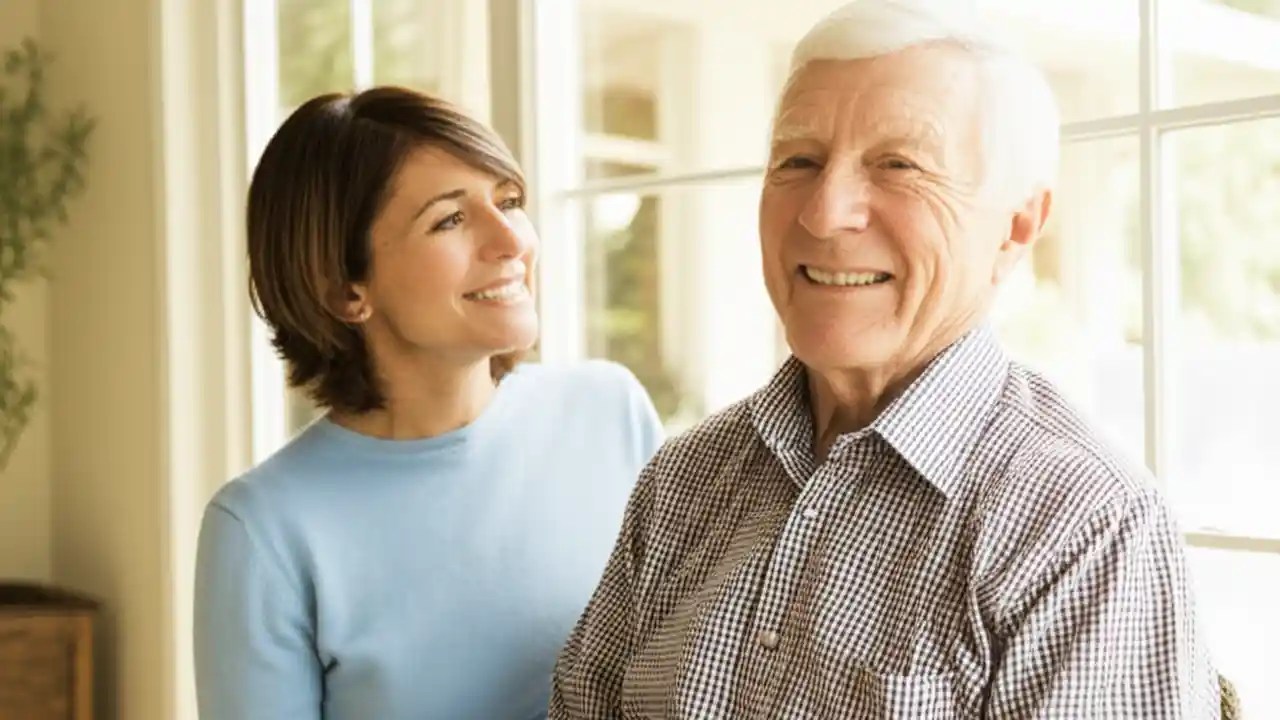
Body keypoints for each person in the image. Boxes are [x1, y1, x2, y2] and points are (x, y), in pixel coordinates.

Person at [550, 2, 1219, 717]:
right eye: (797, 161)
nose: (823, 212)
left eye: (898, 165)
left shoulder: (1082, 525)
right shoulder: (682, 482)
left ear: (1018, 226)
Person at [193, 86, 663, 720]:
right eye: (450, 219)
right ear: (343, 289)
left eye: (509, 201)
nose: (511, 242)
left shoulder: (611, 414)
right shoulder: (264, 530)